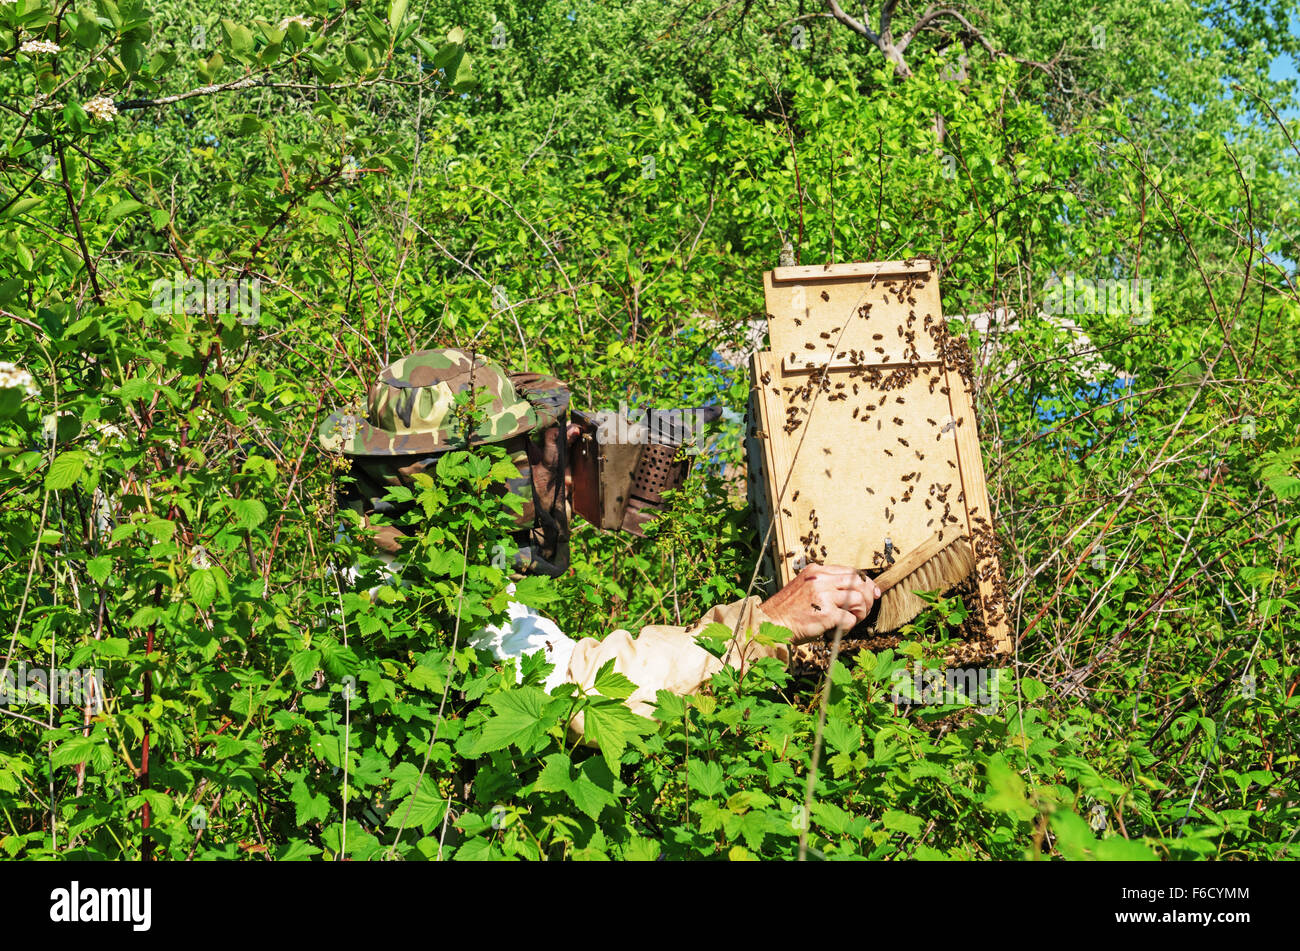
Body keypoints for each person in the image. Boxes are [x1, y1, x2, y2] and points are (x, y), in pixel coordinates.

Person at [318, 347, 880, 735]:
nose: (550, 475)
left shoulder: (391, 564)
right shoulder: (419, 600)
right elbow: (589, 695)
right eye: (521, 455)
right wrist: (757, 629)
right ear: (455, 473)